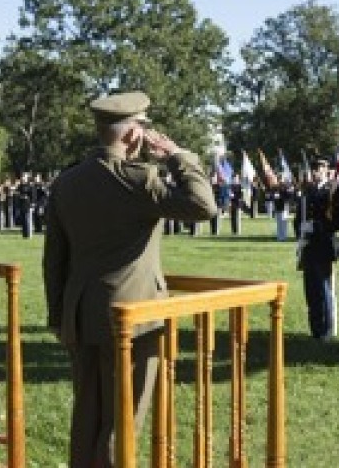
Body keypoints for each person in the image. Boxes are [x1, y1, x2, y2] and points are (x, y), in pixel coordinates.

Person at [43, 91, 216, 468]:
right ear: (134, 135)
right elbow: (204, 205)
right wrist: (178, 156)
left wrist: (58, 315)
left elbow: (54, 257)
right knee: (123, 419)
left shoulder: (68, 181)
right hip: (131, 316)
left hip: (80, 311)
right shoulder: (138, 180)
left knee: (87, 416)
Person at [295, 159, 339, 341]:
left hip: (323, 247)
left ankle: (326, 330)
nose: (315, 172)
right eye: (313, 169)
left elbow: (337, 220)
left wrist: (318, 226)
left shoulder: (331, 192)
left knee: (324, 289)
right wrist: (300, 228)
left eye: (318, 169)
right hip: (308, 247)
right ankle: (315, 329)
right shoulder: (307, 193)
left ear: (326, 170)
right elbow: (298, 218)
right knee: (310, 290)